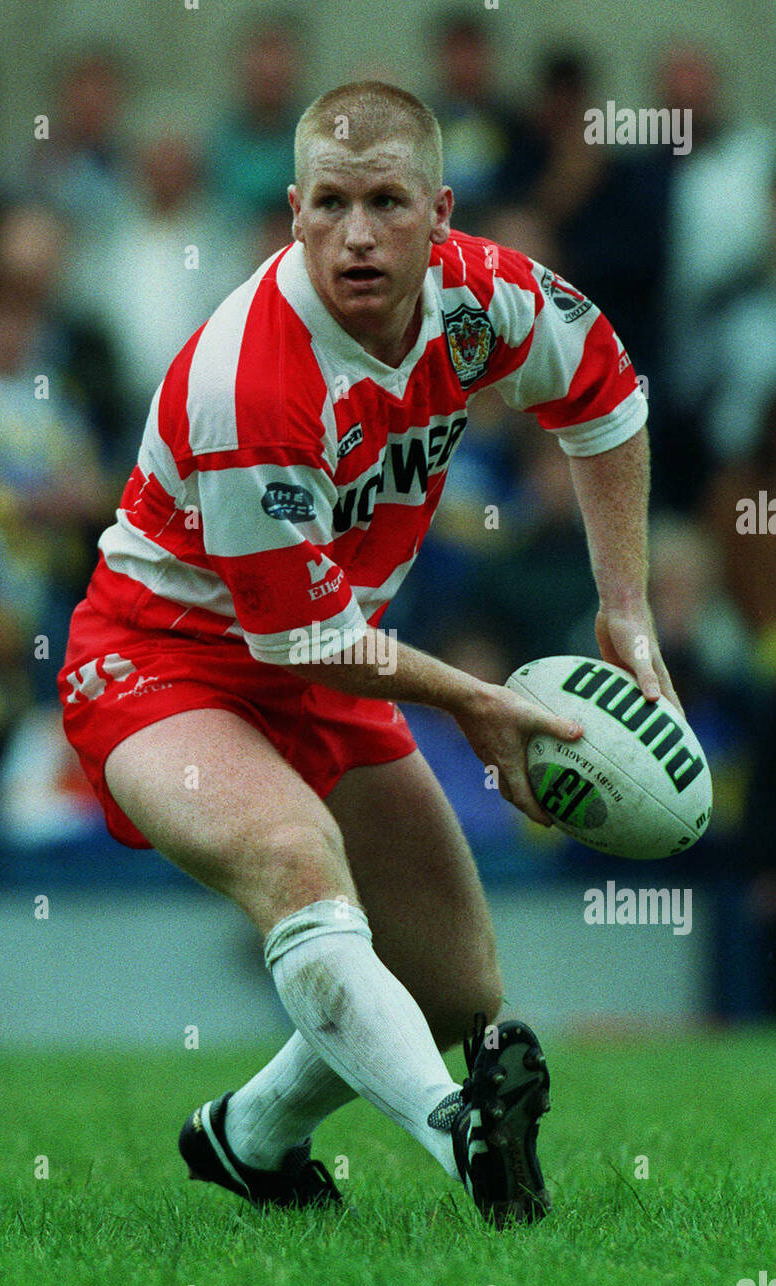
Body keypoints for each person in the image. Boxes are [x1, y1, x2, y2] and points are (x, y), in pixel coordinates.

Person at [57, 81, 677, 1227]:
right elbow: (296, 634)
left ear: (438, 212)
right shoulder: (251, 373)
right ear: (290, 212)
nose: (356, 233)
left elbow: (606, 398)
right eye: (330, 203)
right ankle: (462, 1139)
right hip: (163, 664)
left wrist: (624, 604)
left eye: (386, 201)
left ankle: (249, 1138)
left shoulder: (486, 302)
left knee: (452, 987)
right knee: (298, 862)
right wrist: (475, 703)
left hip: (330, 651)